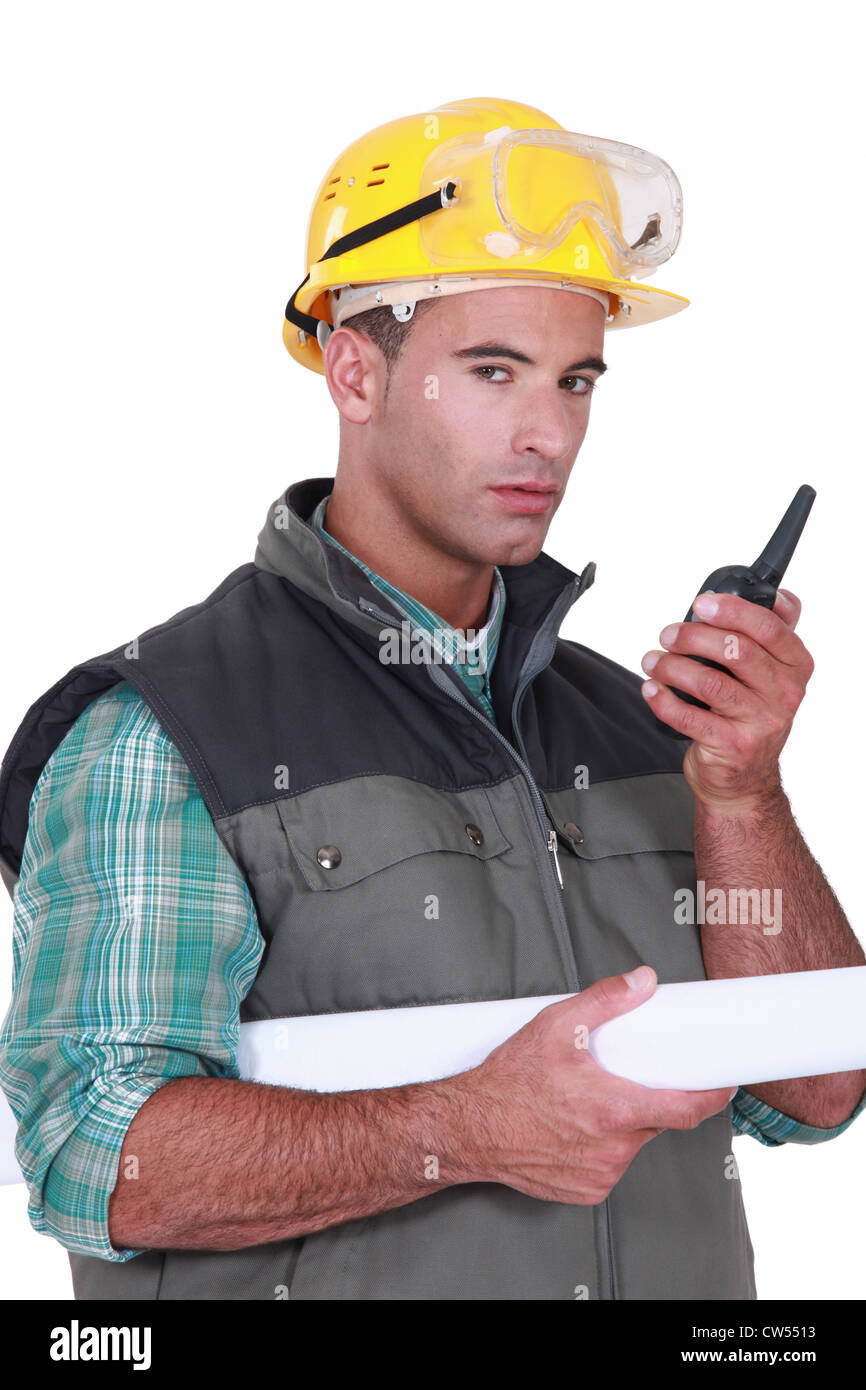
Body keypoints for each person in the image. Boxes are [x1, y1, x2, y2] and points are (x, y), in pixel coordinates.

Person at [1, 96, 864, 1302]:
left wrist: (738, 790)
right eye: (490, 370)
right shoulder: (168, 731)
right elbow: (91, 1149)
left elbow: (810, 1092)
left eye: (574, 380)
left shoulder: (637, 726)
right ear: (354, 370)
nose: (545, 432)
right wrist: (457, 1127)